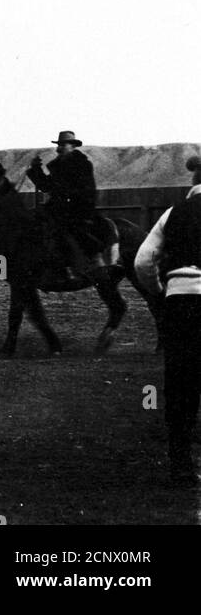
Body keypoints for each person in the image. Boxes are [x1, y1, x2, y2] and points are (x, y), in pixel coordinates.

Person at [134, 156, 201, 486]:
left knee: (181, 382)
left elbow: (143, 262)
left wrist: (161, 291)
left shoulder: (173, 213)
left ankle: (181, 465)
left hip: (181, 302)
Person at [26, 130, 98, 279]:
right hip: (58, 207)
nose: (60, 148)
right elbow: (46, 186)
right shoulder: (57, 165)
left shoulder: (83, 165)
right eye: (59, 144)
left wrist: (67, 196)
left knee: (64, 230)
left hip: (78, 208)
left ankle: (79, 267)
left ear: (72, 146)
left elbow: (87, 190)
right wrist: (36, 169)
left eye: (64, 144)